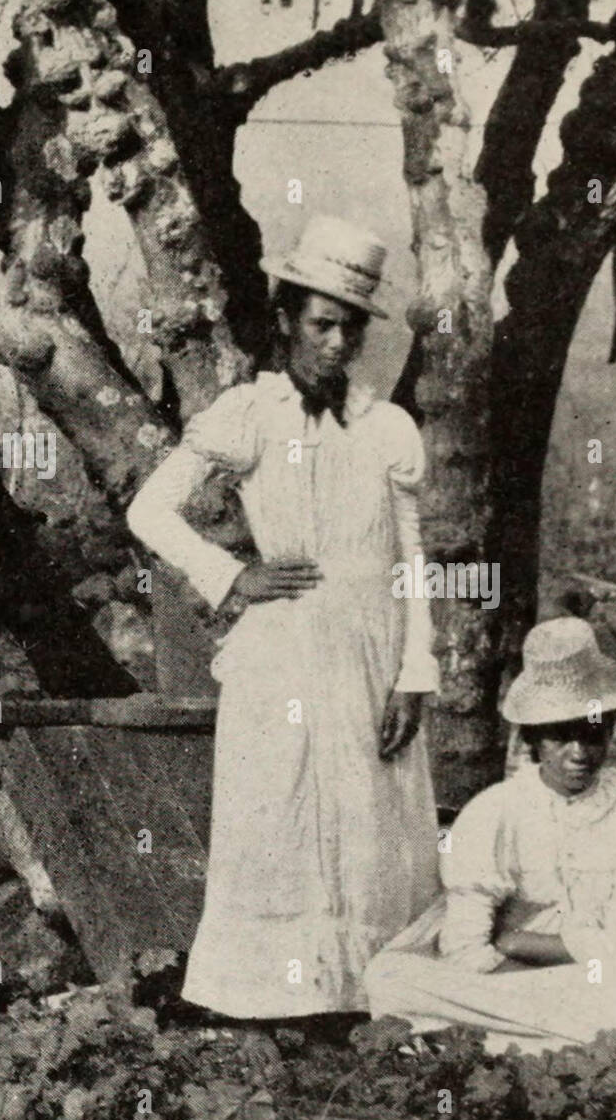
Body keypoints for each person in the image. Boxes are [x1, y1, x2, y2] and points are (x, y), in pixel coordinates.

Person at [127, 216, 440, 1020]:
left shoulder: (386, 429)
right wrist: (231, 576)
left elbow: (410, 560)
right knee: (281, 810)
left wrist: (414, 673)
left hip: (373, 653)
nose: (336, 344)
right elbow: (151, 510)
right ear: (285, 321)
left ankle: (376, 992)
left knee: (374, 820)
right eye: (320, 324)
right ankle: (268, 995)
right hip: (285, 652)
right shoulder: (251, 413)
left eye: (350, 329)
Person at [365, 617, 616, 1055]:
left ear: (612, 730)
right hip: (503, 981)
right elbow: (466, 948)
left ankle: (485, 1041)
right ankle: (577, 1038)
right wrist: (532, 973)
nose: (579, 753)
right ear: (534, 739)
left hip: (598, 979)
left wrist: (519, 940)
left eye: (593, 735)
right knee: (390, 977)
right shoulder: (495, 811)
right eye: (561, 737)